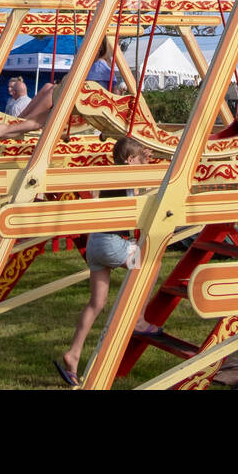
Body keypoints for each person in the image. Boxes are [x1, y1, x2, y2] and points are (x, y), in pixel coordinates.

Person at [54, 137, 155, 387]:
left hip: (96, 244)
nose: (145, 165)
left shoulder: (115, 175)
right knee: (151, 264)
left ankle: (73, 354)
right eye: (141, 160)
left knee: (96, 303)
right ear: (130, 161)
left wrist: (144, 155)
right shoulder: (126, 176)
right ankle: (139, 318)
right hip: (111, 242)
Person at [0, 42, 117, 149]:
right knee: (49, 87)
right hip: (78, 105)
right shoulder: (95, 65)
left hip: (84, 109)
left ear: (98, 48)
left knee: (45, 106)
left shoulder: (98, 66)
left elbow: (90, 88)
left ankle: (13, 127)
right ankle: (17, 123)